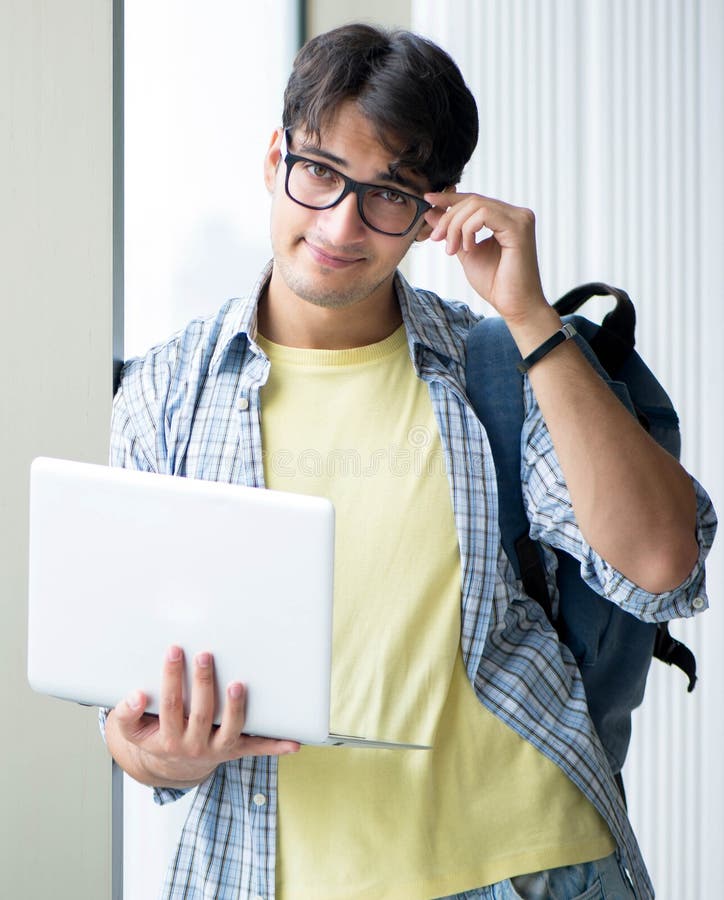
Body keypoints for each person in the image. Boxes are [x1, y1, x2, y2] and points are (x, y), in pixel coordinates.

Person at [102, 23, 715, 900]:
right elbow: (125, 719)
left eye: (387, 194)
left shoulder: (495, 366)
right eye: (318, 172)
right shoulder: (169, 390)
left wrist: (532, 316)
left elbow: (662, 566)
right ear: (277, 156)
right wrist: (160, 755)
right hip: (271, 875)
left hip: (531, 871)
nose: (341, 224)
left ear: (435, 210)